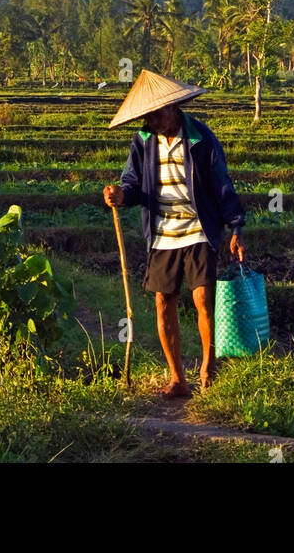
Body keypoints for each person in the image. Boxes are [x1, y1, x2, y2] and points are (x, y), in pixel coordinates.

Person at [104, 96, 246, 397]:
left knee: (203, 299)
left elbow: (222, 183)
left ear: (173, 109)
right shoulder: (143, 140)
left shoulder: (200, 137)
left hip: (198, 227)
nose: (152, 123)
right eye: (148, 118)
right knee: (162, 302)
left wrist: (236, 227)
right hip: (162, 231)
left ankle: (208, 367)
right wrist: (120, 195)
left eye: (156, 116)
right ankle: (178, 379)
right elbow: (133, 182)